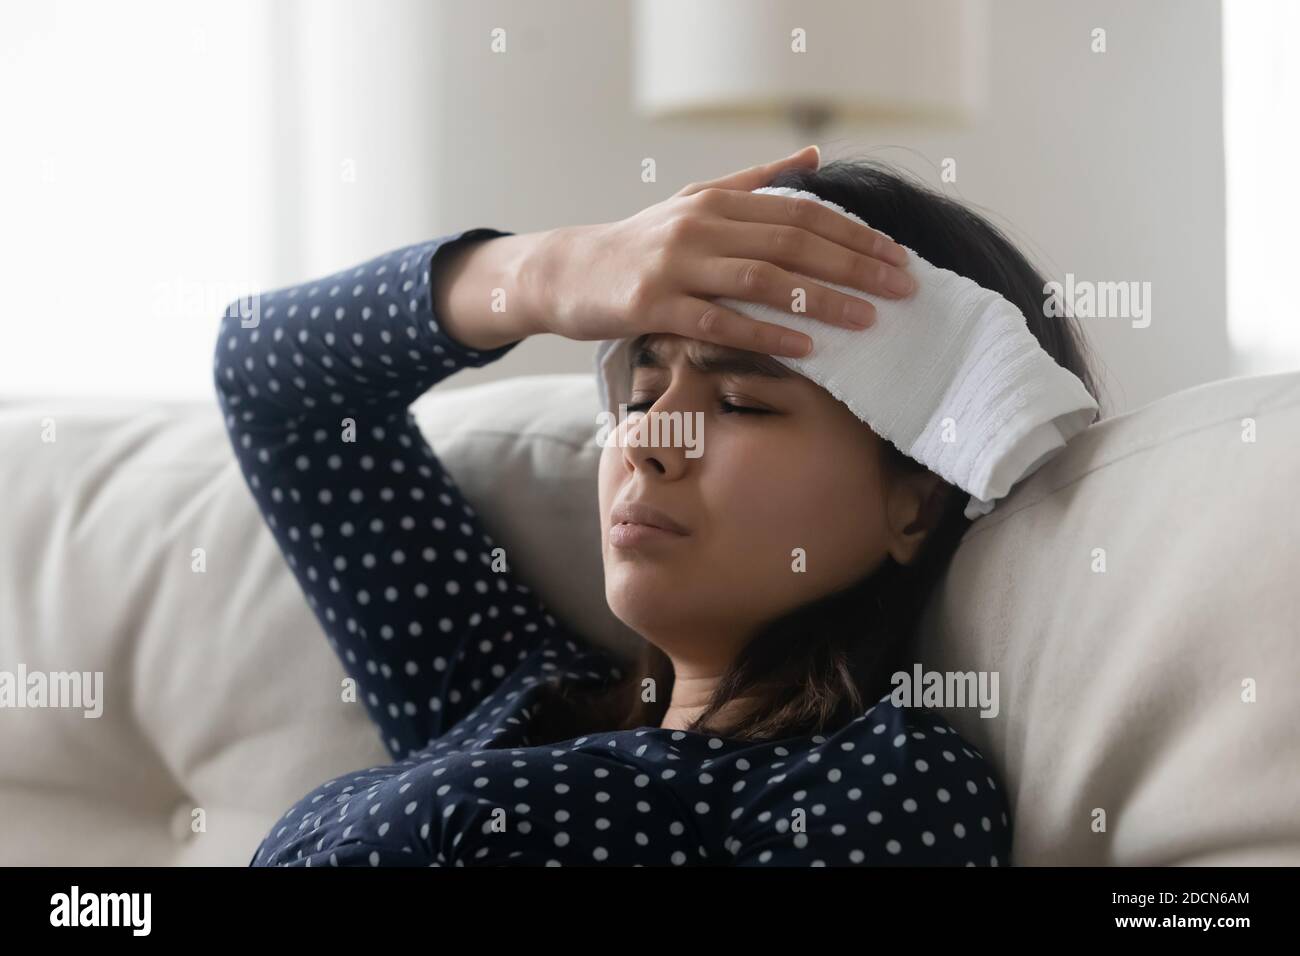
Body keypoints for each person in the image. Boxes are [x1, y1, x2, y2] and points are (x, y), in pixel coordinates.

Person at [215, 146, 1095, 866]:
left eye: (741, 402)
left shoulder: (883, 787)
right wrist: (549, 273)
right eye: (639, 395)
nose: (646, 440)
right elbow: (268, 379)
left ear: (915, 504)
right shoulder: (507, 697)